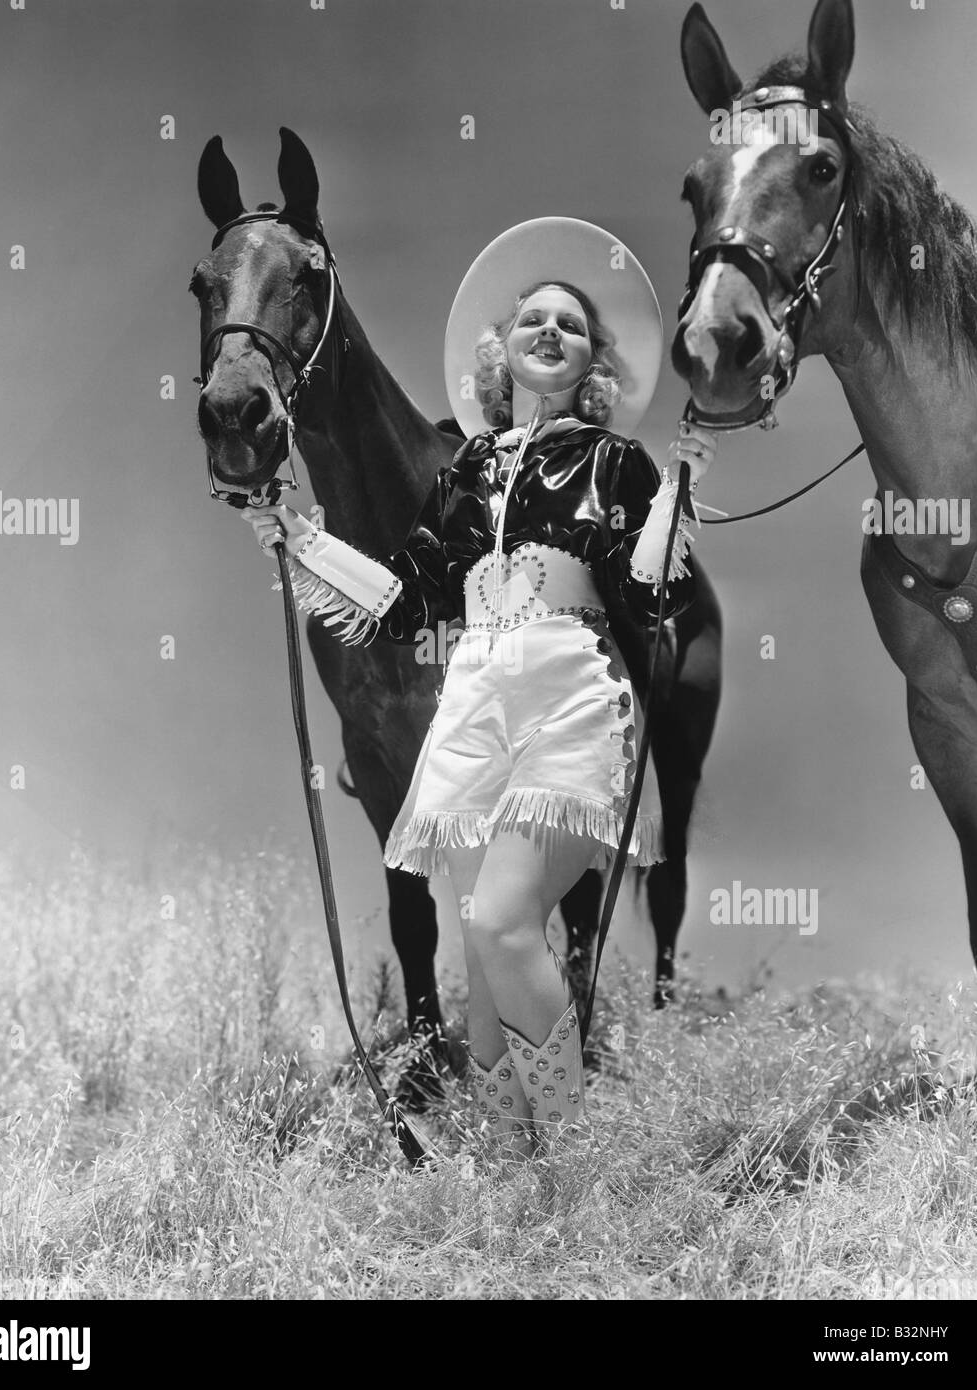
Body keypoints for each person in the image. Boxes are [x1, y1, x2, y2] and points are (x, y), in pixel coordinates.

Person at [242, 218, 716, 1156]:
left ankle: (577, 1163)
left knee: (503, 923)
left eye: (571, 326)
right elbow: (402, 596)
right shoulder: (471, 469)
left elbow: (643, 587)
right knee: (477, 946)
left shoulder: (615, 463)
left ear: (592, 363)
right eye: (533, 318)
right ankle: (507, 1170)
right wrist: (298, 539)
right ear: (500, 352)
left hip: (567, 698)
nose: (549, 330)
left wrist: (678, 491)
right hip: (471, 709)